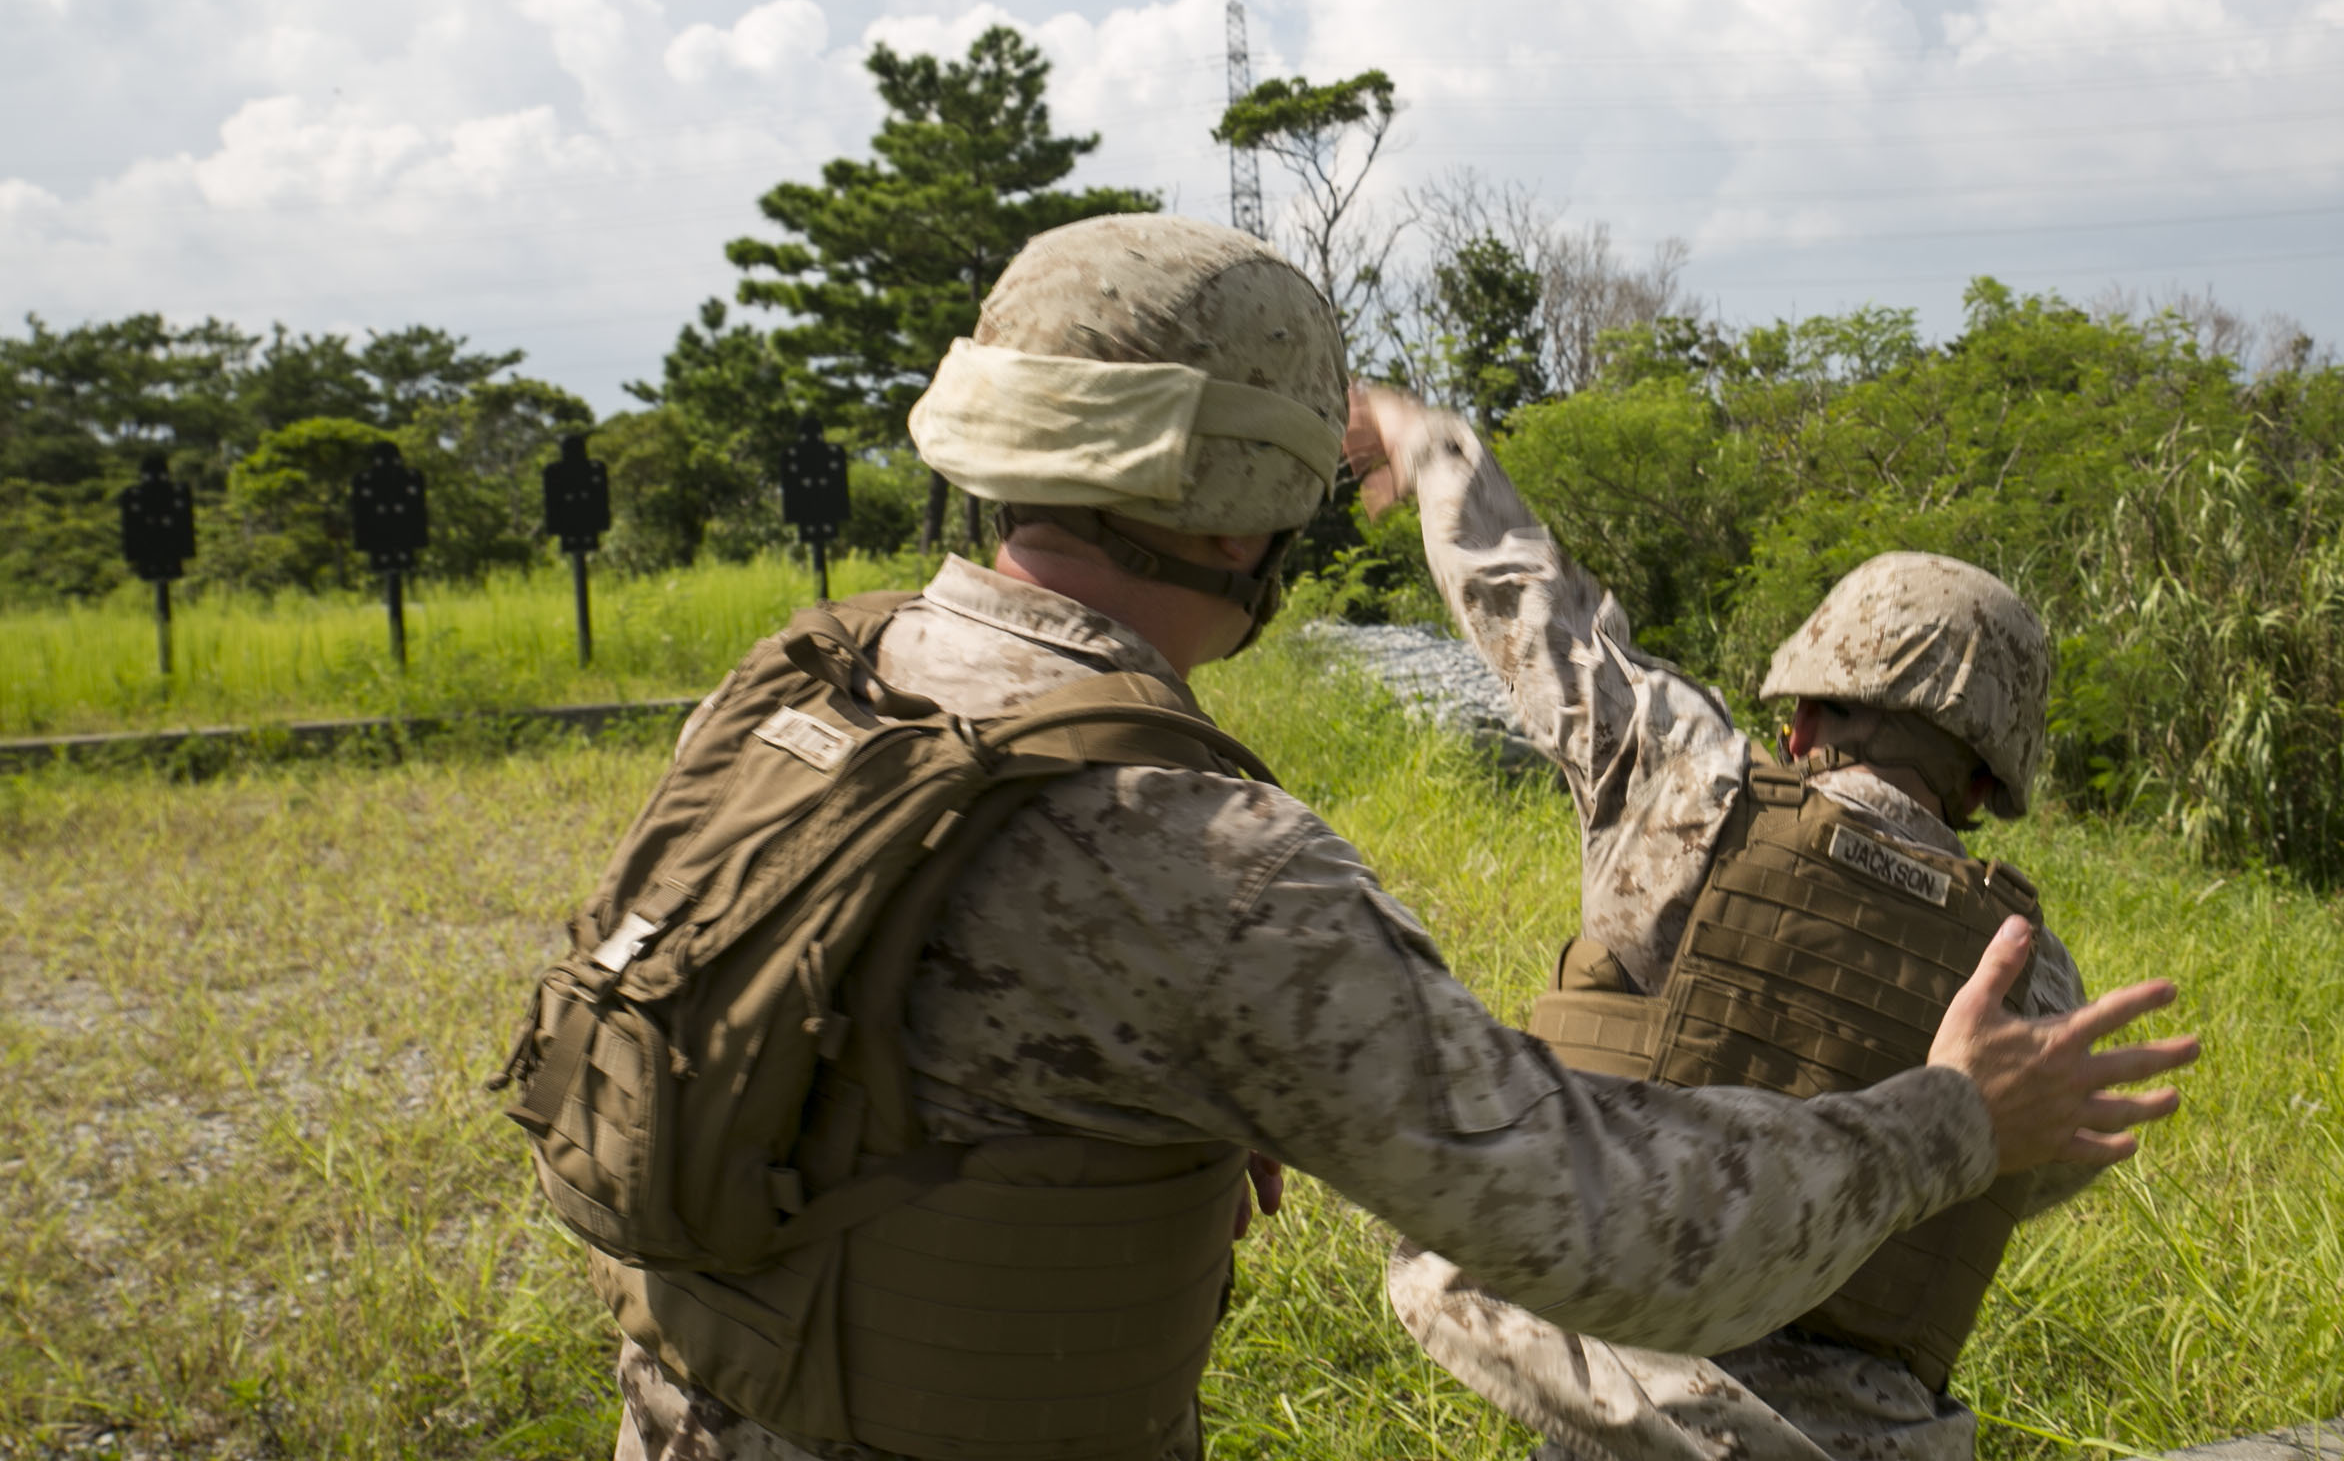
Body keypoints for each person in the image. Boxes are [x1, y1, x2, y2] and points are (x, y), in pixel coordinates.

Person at [607, 216, 2198, 1461]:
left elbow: (1534, 610)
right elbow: (1616, 1230)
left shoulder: (794, 684)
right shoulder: (1220, 865)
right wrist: (1954, 1123)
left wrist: (1438, 448)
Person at [1351, 380, 2176, 1461]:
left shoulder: (1687, 792)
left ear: (1800, 720)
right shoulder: (2036, 978)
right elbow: (2009, 1176)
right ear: (1983, 790)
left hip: (1625, 1379)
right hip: (1868, 1437)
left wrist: (1431, 444)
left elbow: (1524, 597)